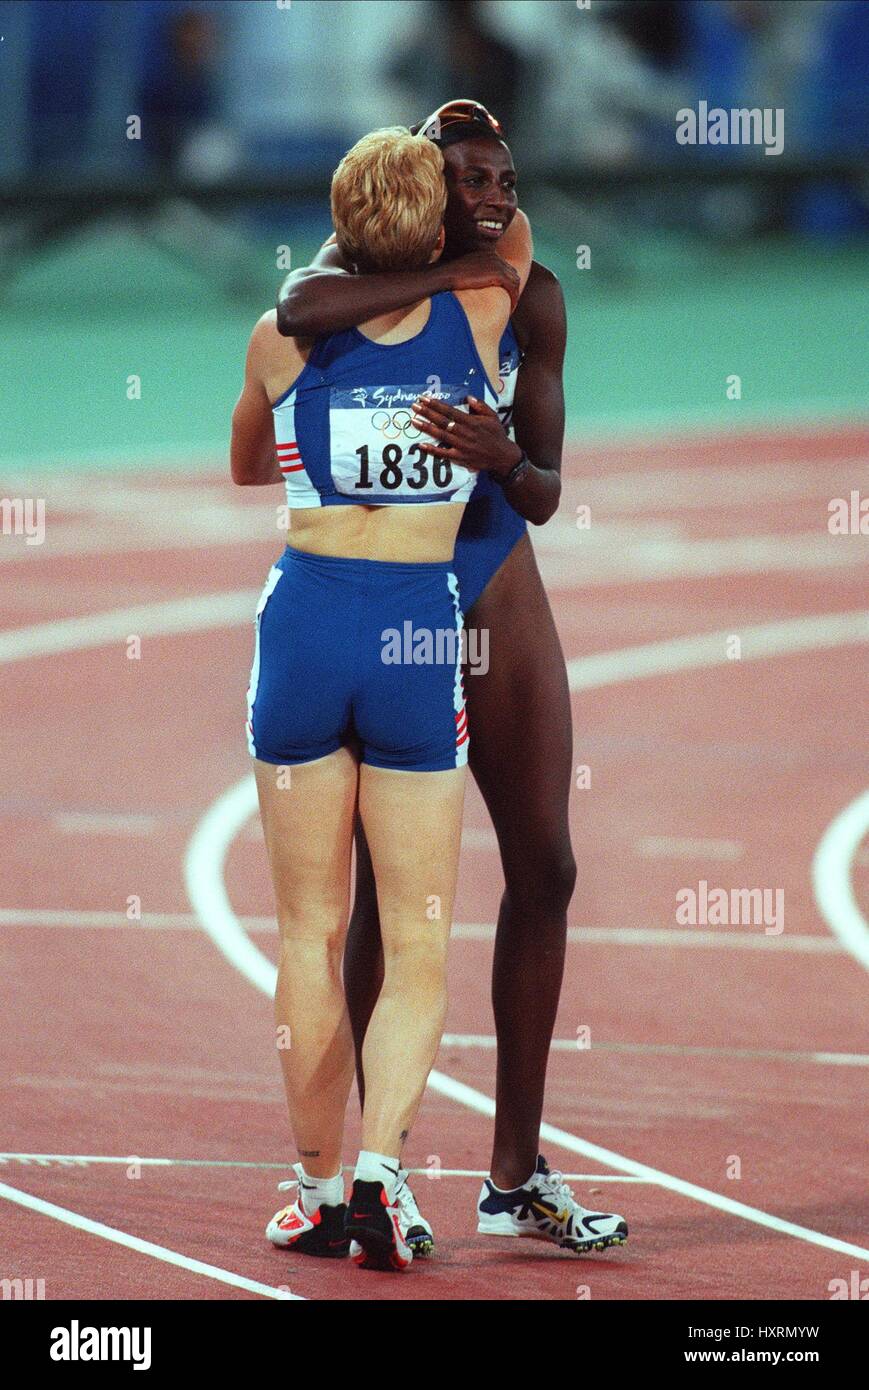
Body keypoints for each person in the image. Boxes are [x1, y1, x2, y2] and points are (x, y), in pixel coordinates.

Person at [276, 101, 628, 1256]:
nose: (491, 196)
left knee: (548, 863)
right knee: (391, 898)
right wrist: (436, 276)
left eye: (504, 180)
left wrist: (504, 456)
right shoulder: (367, 265)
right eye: (465, 178)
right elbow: (299, 306)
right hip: (394, 608)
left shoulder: (532, 299)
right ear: (427, 191)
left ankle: (514, 1171)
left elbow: (544, 491)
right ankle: (375, 1170)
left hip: (495, 589)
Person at [231, 125, 531, 1270]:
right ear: (443, 219)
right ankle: (381, 1179)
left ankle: (311, 1191)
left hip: (302, 619)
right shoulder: (484, 307)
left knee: (308, 933)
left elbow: (245, 465)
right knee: (412, 938)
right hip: (411, 628)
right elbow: (511, 227)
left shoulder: (278, 336)